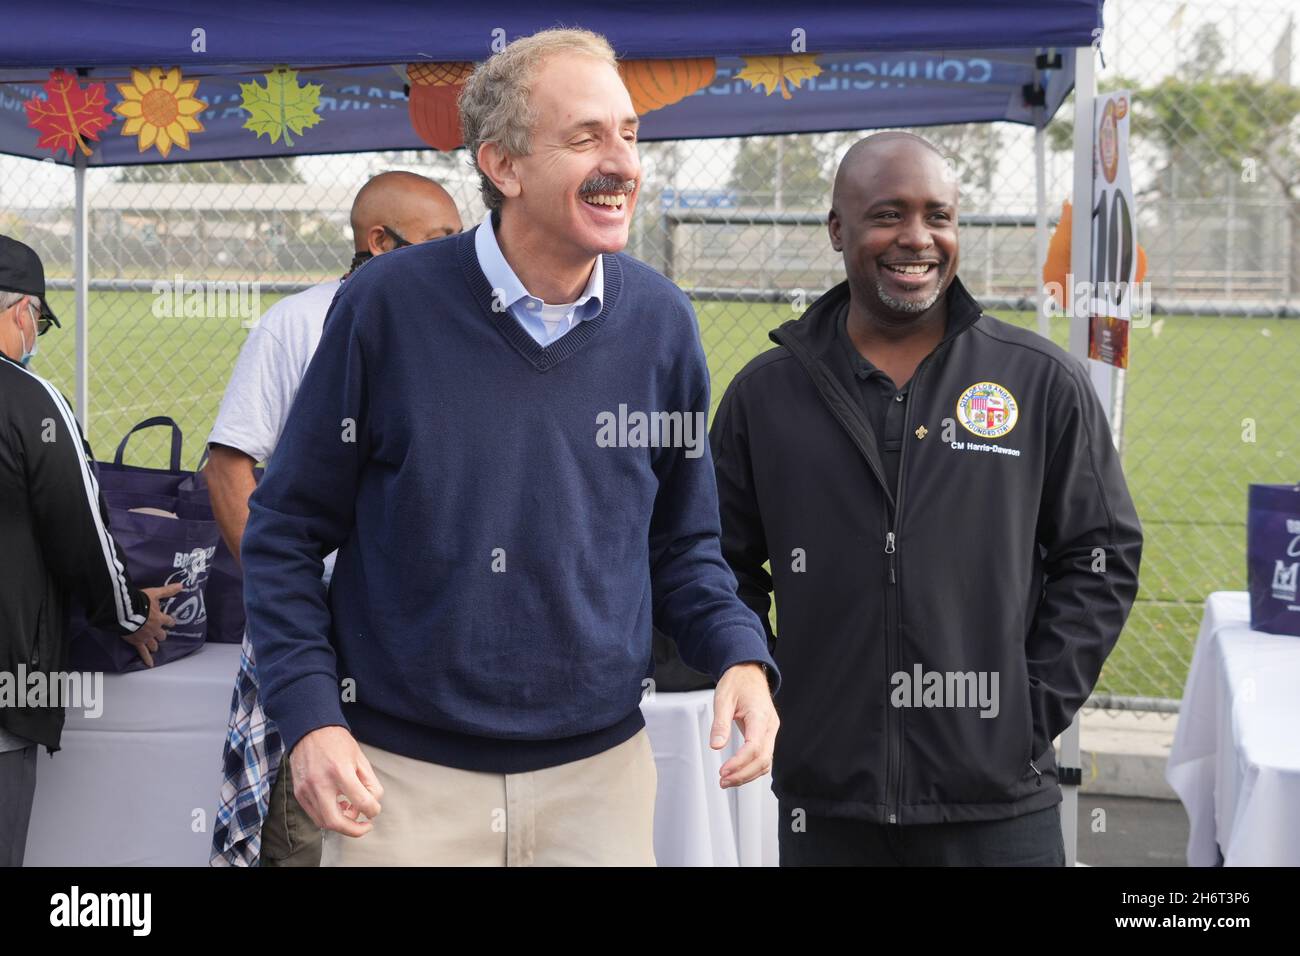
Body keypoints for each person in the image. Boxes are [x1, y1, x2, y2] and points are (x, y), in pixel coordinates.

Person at [240, 27, 781, 867]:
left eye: (630, 134)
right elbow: (285, 534)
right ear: (503, 166)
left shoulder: (663, 325)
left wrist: (740, 656)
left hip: (600, 783)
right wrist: (311, 717)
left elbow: (684, 548)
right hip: (399, 786)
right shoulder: (385, 308)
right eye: (586, 137)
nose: (623, 163)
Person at [710, 132, 1143, 866]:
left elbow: (1100, 558)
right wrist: (782, 685)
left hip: (997, 802)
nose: (918, 238)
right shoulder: (767, 395)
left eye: (938, 216)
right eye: (888, 215)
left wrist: (1023, 716)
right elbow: (720, 563)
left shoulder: (1038, 381)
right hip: (828, 802)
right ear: (838, 230)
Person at [206, 172, 463, 867]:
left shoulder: (464, 332)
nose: (461, 253)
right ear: (380, 241)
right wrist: (286, 601)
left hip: (425, 638)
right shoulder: (297, 324)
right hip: (319, 638)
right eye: (443, 240)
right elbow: (229, 470)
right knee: (305, 832)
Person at [0, 235, 178, 867]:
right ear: (23, 311)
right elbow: (80, 533)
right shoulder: (29, 399)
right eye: (39, 319)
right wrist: (130, 615)